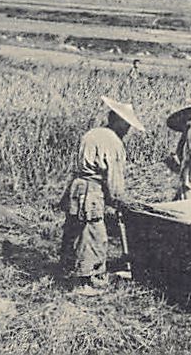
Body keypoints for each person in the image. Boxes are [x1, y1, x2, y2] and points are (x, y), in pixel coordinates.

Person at [59, 96, 145, 296]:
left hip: (77, 187)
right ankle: (83, 282)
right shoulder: (113, 142)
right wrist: (118, 200)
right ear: (118, 121)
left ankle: (67, 268)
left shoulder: (93, 133)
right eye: (126, 125)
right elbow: (113, 177)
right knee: (93, 234)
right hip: (91, 191)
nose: (127, 130)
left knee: (74, 229)